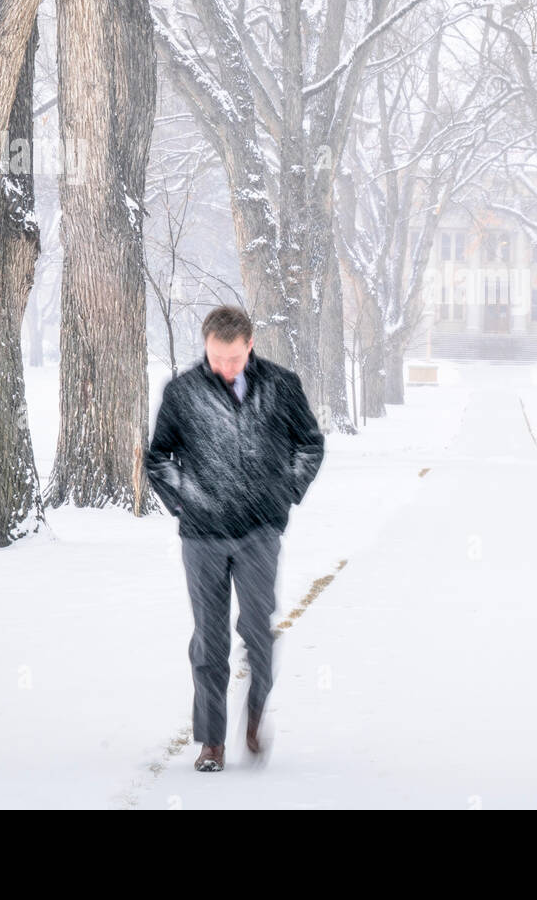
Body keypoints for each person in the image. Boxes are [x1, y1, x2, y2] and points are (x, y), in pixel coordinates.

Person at [146, 305, 325, 772]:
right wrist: (184, 501)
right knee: (209, 639)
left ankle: (257, 709)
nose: (225, 367)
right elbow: (158, 457)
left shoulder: (281, 385)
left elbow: (310, 444)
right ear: (206, 347)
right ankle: (212, 742)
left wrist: (285, 492)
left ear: (250, 345)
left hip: (258, 533)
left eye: (233, 358)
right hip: (202, 536)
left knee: (258, 631)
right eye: (216, 357)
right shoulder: (183, 392)